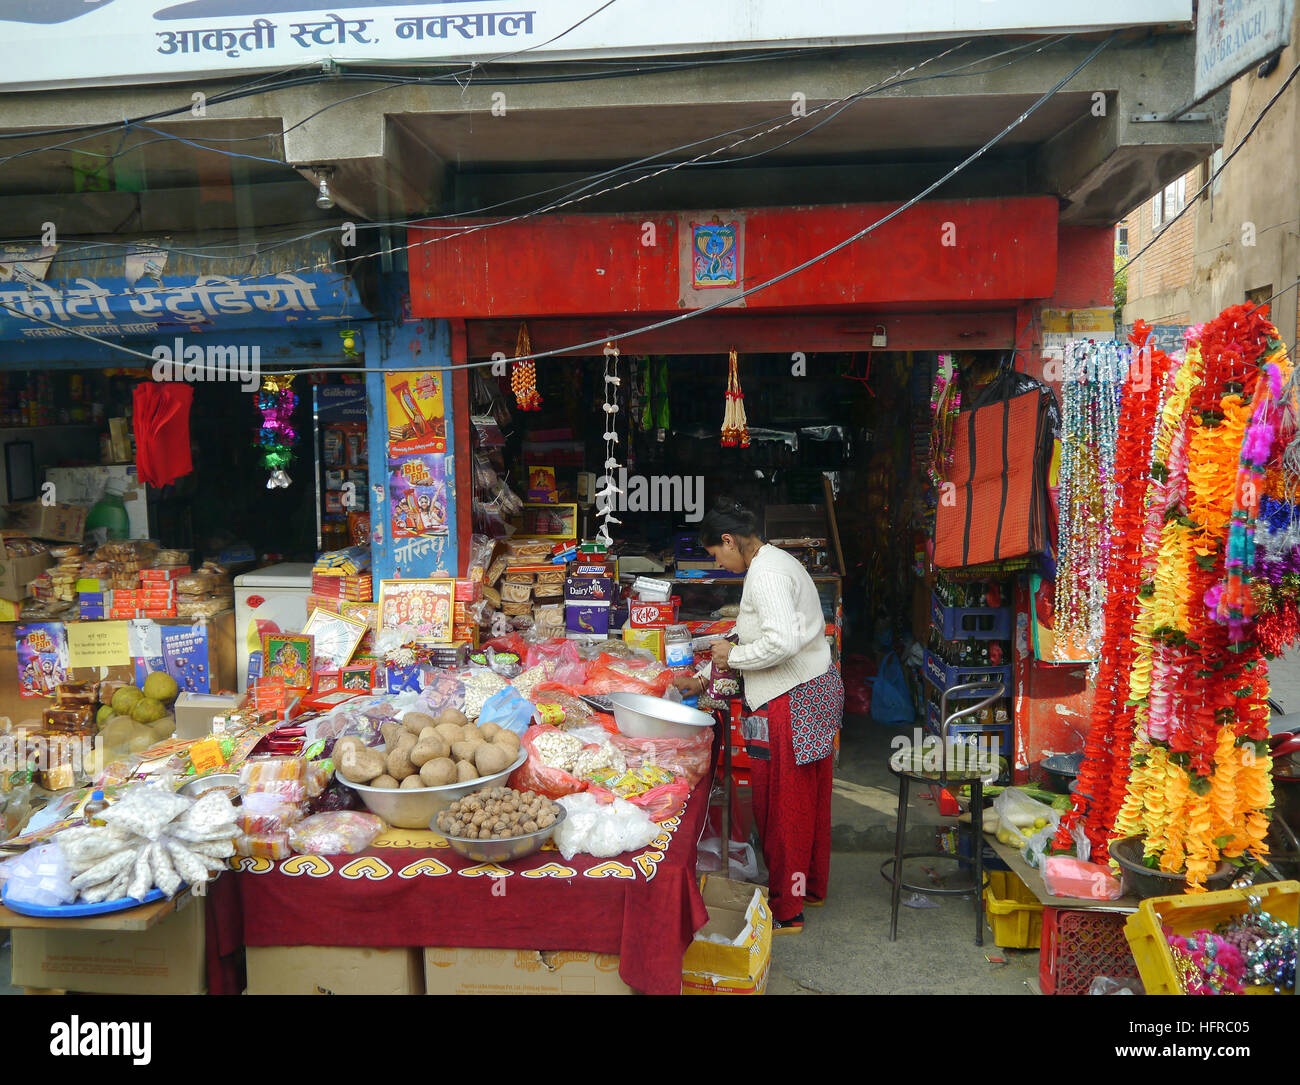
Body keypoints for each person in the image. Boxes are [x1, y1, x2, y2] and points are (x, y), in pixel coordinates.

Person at [674, 497, 844, 934]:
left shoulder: (765, 573)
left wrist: (733, 656)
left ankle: (789, 910)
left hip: (791, 700)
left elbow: (780, 641)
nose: (718, 562)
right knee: (810, 797)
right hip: (815, 688)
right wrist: (712, 667)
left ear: (729, 541)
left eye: (716, 553)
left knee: (783, 806)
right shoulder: (776, 561)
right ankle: (812, 888)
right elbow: (760, 633)